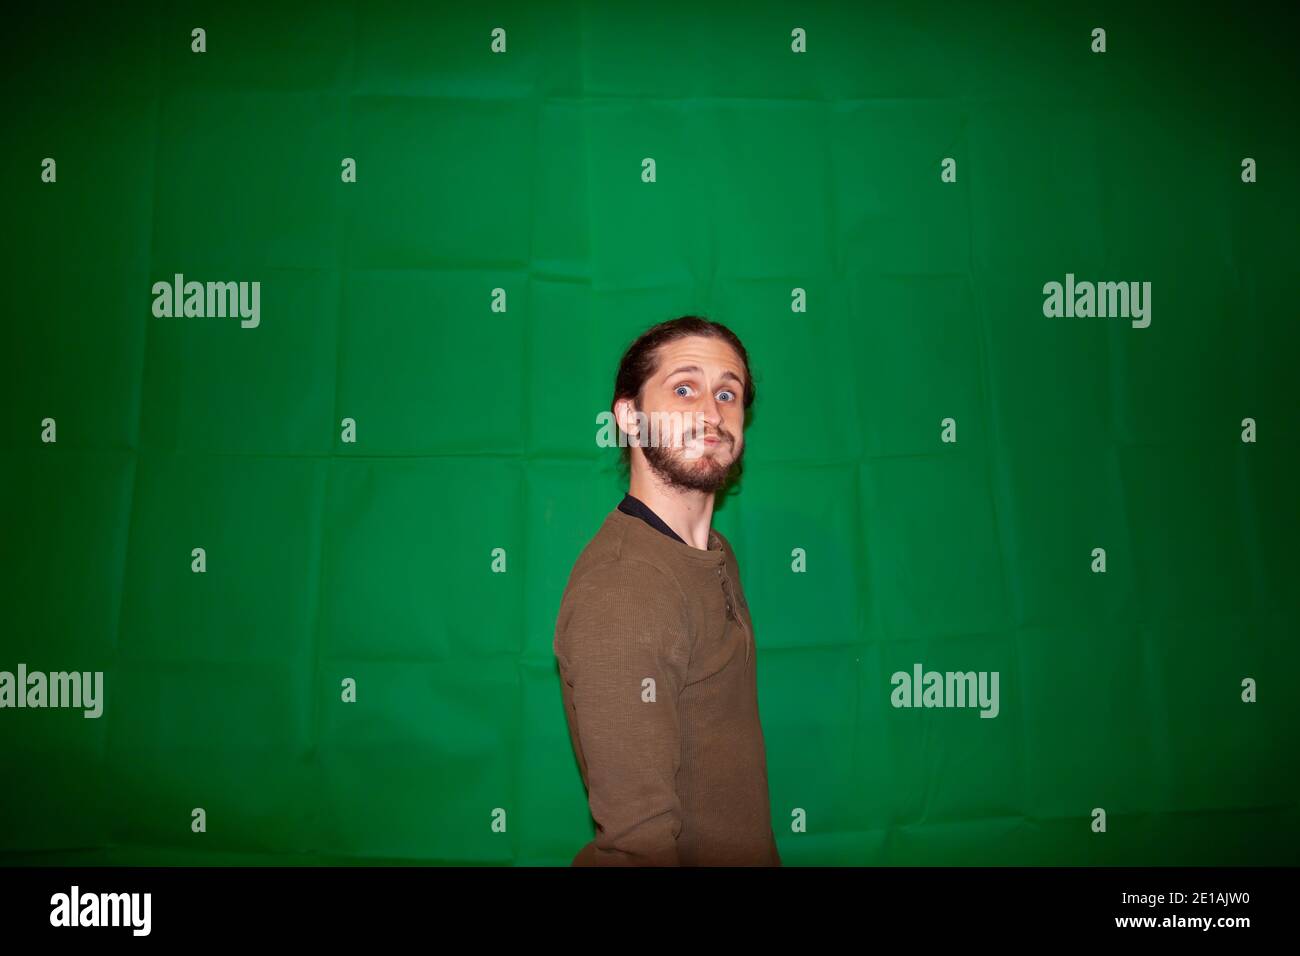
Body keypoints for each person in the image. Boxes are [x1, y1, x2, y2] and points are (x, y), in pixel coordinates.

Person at [553, 315, 782, 866]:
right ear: (630, 419)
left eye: (727, 393)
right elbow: (639, 847)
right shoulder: (625, 588)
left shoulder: (713, 552)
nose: (711, 413)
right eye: (684, 389)